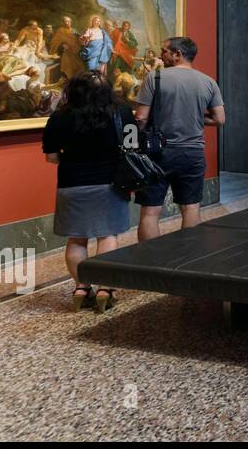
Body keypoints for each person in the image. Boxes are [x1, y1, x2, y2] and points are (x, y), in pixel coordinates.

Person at [42, 72, 134, 312]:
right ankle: (106, 288)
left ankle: (82, 288)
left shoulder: (59, 117)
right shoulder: (121, 113)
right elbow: (133, 145)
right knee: (107, 235)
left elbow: (52, 157)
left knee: (76, 239)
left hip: (71, 184)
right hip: (110, 183)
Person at [134, 36, 225, 240]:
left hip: (157, 153)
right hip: (193, 152)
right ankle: (187, 260)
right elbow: (219, 119)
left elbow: (140, 117)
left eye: (164, 51)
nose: (160, 55)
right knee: (191, 207)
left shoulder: (154, 78)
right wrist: (195, 115)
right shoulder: (208, 81)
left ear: (178, 54)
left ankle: (151, 266)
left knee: (150, 212)